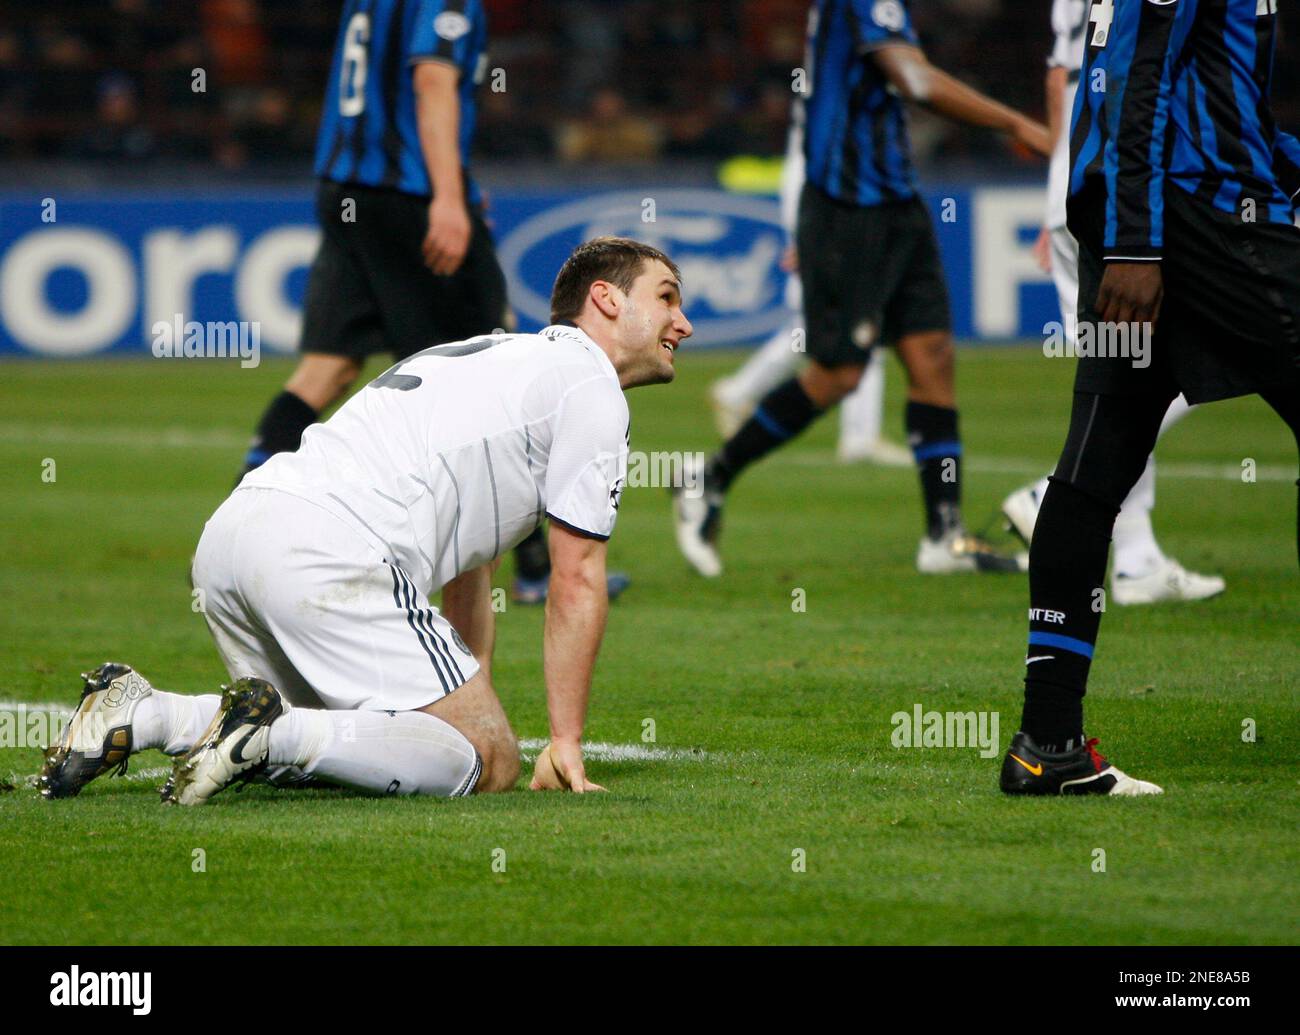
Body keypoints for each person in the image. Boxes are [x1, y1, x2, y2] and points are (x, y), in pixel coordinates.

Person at [39, 238, 692, 803]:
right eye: (667, 297)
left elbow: (473, 570)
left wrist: (467, 692)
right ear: (605, 299)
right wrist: (564, 742)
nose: (683, 323)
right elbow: (576, 577)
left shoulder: (498, 358)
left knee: (355, 745)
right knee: (488, 760)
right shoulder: (589, 384)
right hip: (330, 551)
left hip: (236, 535)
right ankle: (268, 731)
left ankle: (148, 713)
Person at [1000, 0, 1300, 796]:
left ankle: (1047, 743)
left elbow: (1218, 83)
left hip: (1149, 219)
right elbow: (1137, 77)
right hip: (1196, 219)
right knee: (1093, 465)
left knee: (1095, 465)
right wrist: (1139, 240)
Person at [673, 0, 1050, 578]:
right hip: (847, 211)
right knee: (839, 373)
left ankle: (944, 537)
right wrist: (1018, 123)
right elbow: (915, 79)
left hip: (897, 201)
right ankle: (710, 478)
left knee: (932, 357)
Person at [998, 0, 1224, 607]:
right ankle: (1060, 497)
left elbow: (1056, 75)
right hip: (1123, 178)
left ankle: (1135, 556)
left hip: (1080, 168)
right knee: (1189, 356)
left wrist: (1058, 183)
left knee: (1128, 369)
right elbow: (1143, 74)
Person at [710, 99, 911, 467]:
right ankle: (857, 437)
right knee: (855, 324)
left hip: (827, 209)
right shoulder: (827, 125)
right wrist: (810, 241)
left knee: (831, 327)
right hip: (824, 217)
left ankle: (740, 391)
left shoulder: (827, 113)